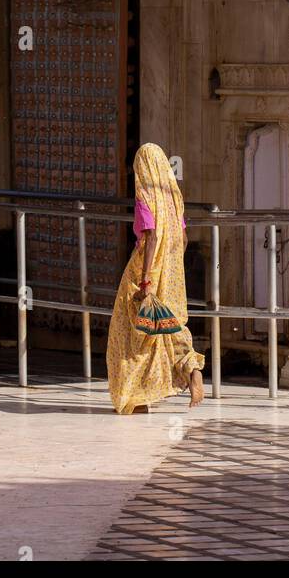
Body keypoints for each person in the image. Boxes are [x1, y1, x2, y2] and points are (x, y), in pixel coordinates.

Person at [107, 143, 204, 414]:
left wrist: (147, 278)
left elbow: (151, 235)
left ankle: (135, 395)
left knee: (130, 332)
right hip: (172, 271)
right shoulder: (174, 199)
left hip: (144, 269)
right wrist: (170, 269)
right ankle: (191, 369)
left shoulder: (145, 196)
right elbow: (182, 238)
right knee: (168, 324)